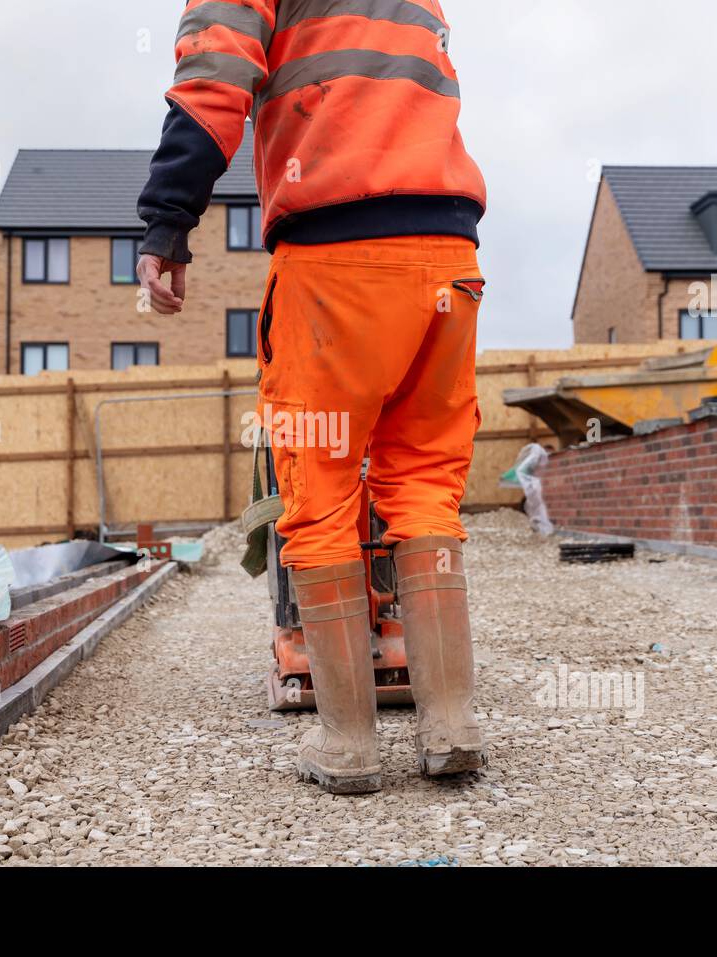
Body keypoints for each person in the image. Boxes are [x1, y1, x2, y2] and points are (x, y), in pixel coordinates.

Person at [137, 0, 487, 795]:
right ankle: (450, 723)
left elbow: (213, 82)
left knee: (321, 487)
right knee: (426, 485)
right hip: (448, 253)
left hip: (336, 255)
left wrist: (166, 222)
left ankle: (351, 747)